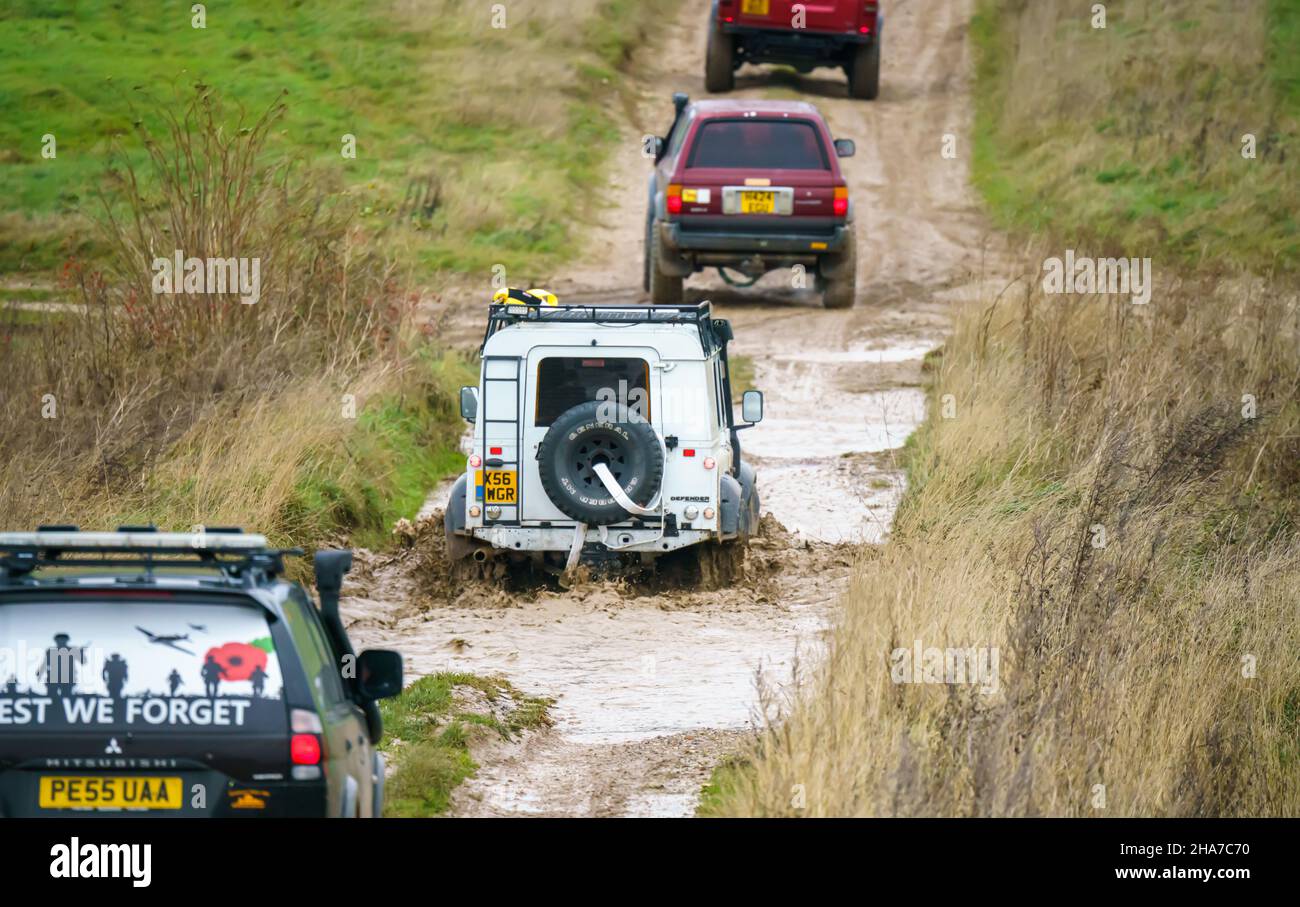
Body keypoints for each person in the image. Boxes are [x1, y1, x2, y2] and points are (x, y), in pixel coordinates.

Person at [38, 633, 86, 698]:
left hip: (68, 678)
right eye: (59, 640)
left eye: (63, 640)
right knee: (51, 697)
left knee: (66, 697)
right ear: (56, 640)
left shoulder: (73, 650)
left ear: (66, 640)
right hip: (53, 678)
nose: (61, 641)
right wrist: (40, 672)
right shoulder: (51, 650)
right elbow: (46, 662)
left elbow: (83, 662)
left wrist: (81, 653)